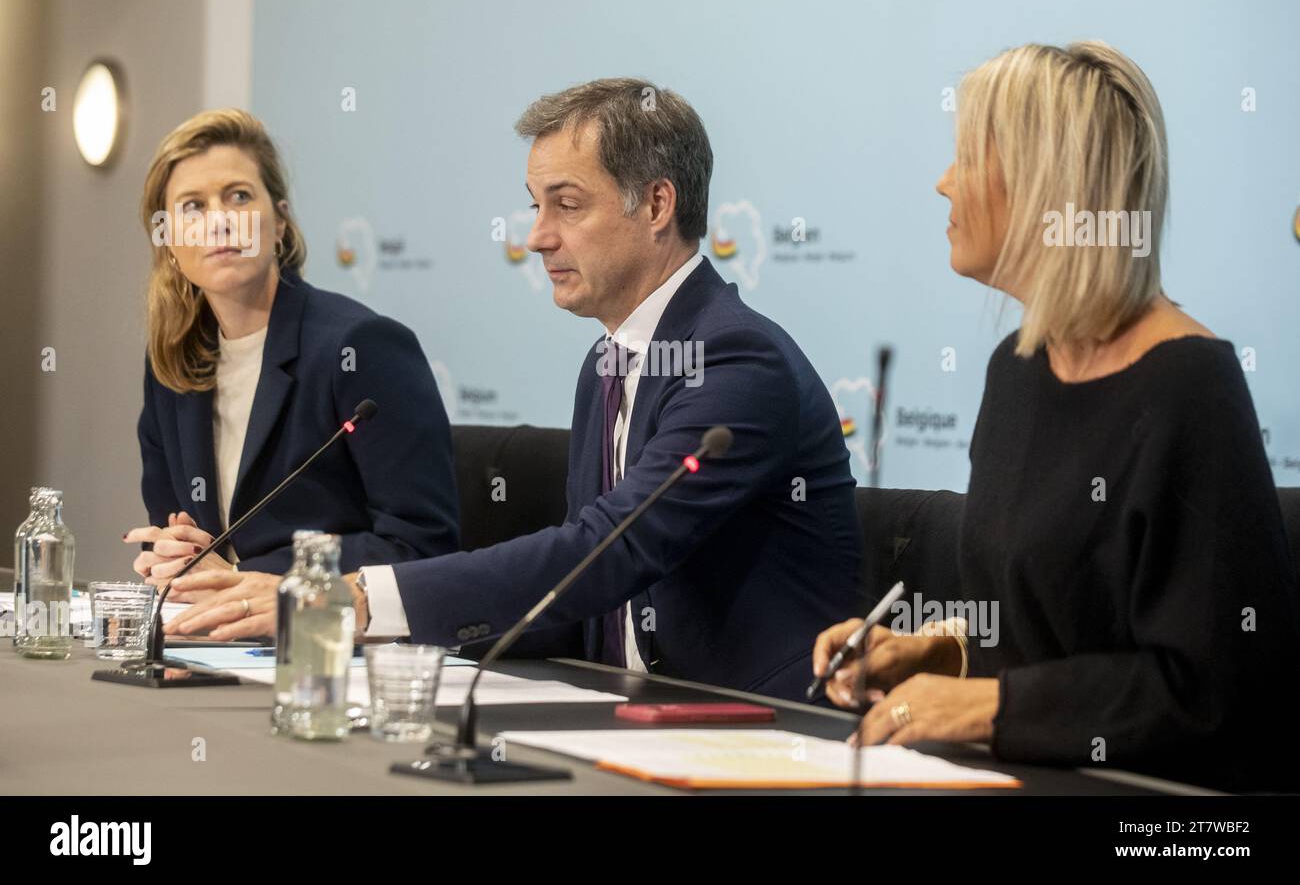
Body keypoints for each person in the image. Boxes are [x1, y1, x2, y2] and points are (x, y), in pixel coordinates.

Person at [167, 80, 863, 702]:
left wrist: (352, 599)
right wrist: (394, 644)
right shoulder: (607, 363)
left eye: (566, 205)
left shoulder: (736, 360)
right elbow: (578, 602)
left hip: (768, 732)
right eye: (535, 206)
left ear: (656, 204)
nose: (535, 238)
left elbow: (609, 550)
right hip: (624, 708)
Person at [812, 41, 1300, 791]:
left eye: (967, 160)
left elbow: (1213, 694)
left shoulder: (1190, 386)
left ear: (1047, 188)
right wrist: (931, 657)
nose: (943, 184)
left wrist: (986, 707)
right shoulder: (1016, 368)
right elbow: (1047, 629)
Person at [124, 109, 459, 600]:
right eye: (192, 207)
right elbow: (180, 534)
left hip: (332, 645)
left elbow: (422, 547)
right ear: (171, 245)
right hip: (216, 641)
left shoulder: (361, 347)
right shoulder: (172, 368)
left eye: (238, 196)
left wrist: (245, 580)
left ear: (279, 222)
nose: (218, 222)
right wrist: (175, 552)